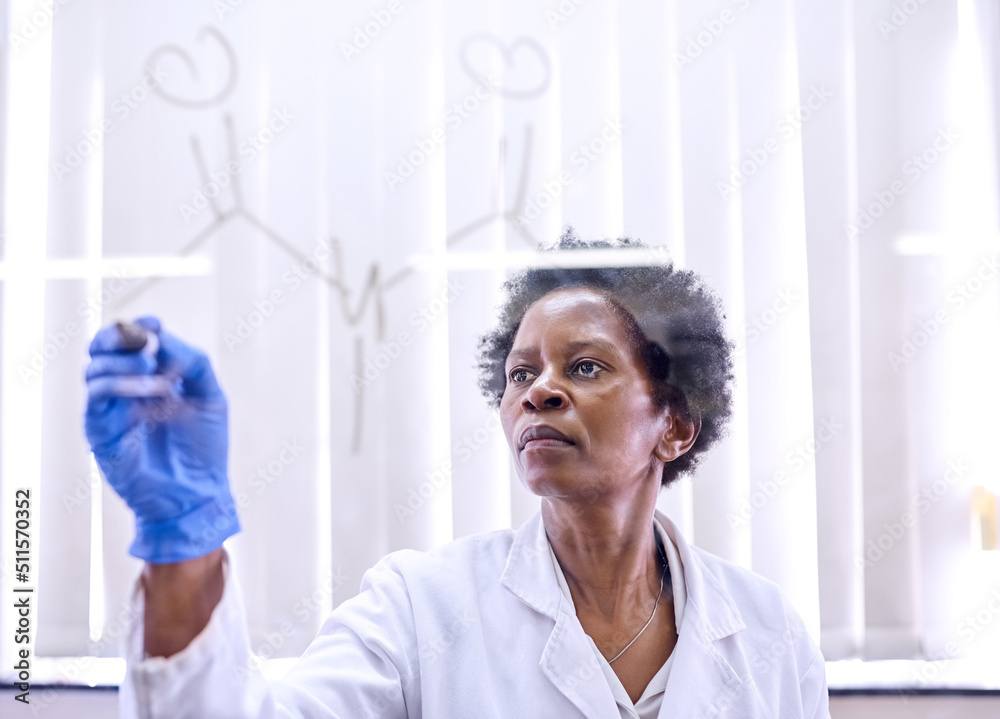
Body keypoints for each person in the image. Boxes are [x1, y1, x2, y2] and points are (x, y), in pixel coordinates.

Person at [84, 230, 830, 718]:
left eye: (585, 366)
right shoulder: (421, 609)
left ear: (675, 423)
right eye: (521, 372)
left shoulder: (770, 635)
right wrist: (184, 540)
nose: (539, 390)